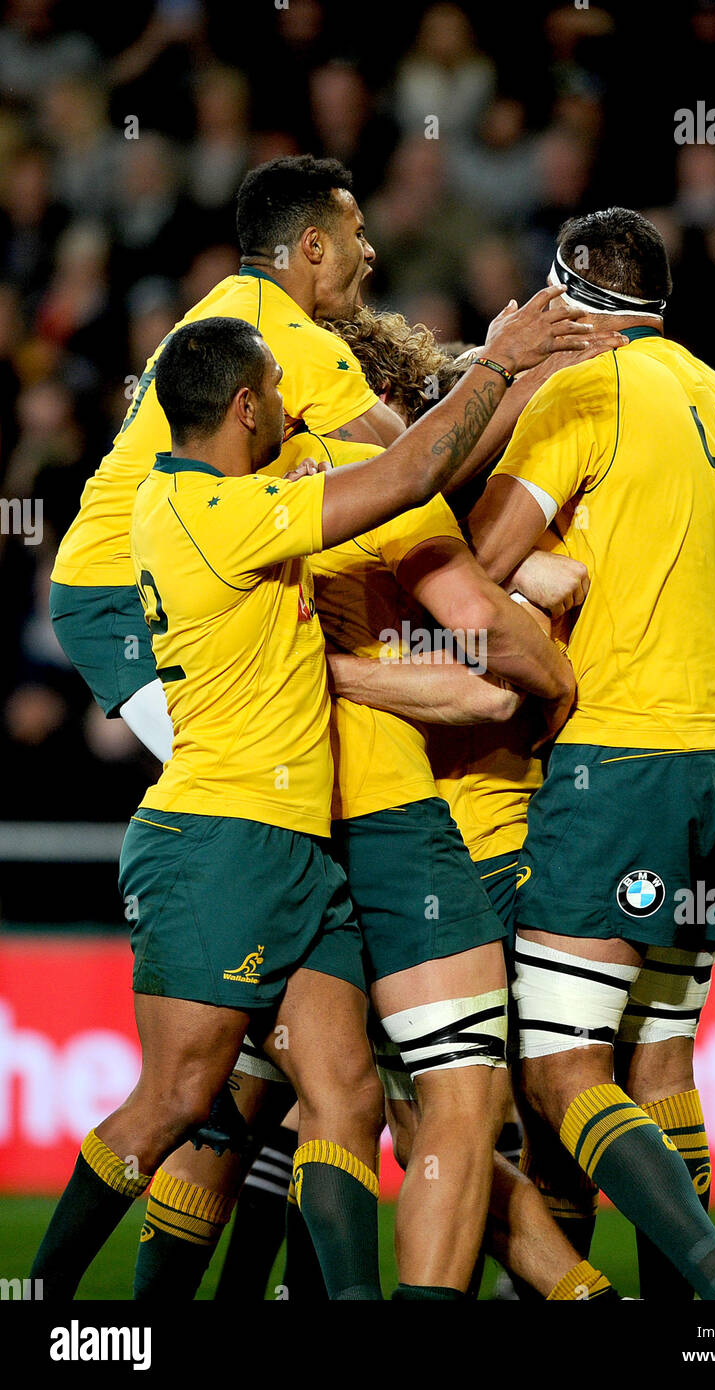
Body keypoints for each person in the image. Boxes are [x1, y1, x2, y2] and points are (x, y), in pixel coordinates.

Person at [30, 282, 589, 1300]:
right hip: (218, 838)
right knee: (177, 1099)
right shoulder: (216, 510)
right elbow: (410, 468)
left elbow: (401, 453)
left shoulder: (233, 485)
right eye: (280, 391)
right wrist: (504, 363)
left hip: (300, 848)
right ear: (244, 408)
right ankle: (48, 1299)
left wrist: (488, 397)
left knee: (342, 1096)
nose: (295, 406)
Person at [466, 207, 715, 1301]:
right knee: (658, 1056)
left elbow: (482, 558)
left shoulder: (583, 391)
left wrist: (553, 570)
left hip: (628, 754)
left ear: (568, 295)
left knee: (563, 1061)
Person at [48, 154, 405, 766]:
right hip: (122, 588)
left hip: (171, 571)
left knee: (275, 784)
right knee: (236, 786)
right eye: (359, 234)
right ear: (314, 245)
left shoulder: (233, 304)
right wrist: (501, 374)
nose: (370, 253)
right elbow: (415, 465)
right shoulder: (285, 335)